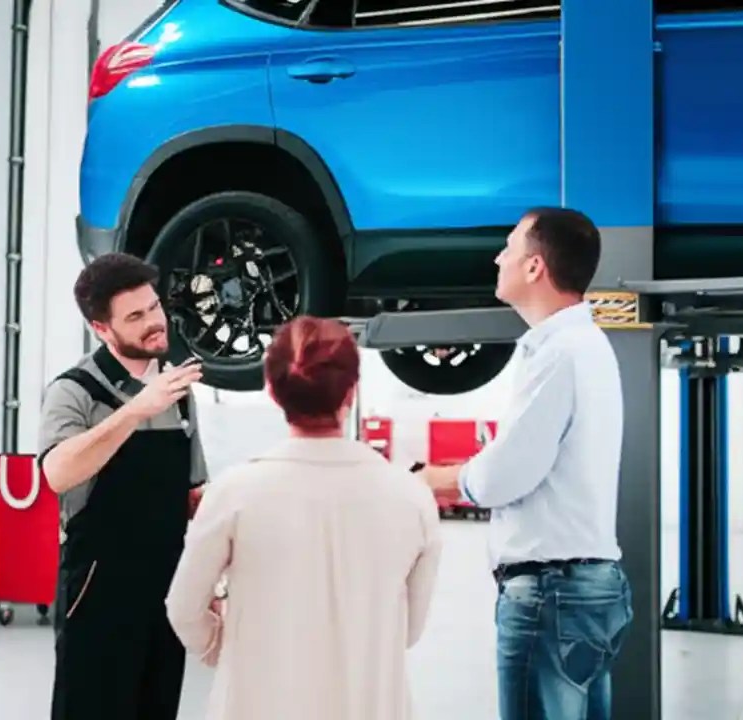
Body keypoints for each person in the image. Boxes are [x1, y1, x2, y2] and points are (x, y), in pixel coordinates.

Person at [165, 315, 443, 720]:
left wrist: (226, 644)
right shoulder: (411, 496)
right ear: (351, 390)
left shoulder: (234, 493)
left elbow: (184, 609)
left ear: (274, 392)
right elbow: (409, 630)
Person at [420, 207, 633, 720]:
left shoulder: (560, 354)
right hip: (589, 589)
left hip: (550, 595)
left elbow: (504, 476)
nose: (498, 257)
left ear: (535, 267)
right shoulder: (585, 347)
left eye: (509, 246)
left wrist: (434, 479)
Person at [38, 252, 208, 720]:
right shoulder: (72, 391)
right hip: (98, 592)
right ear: (101, 329)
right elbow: (57, 473)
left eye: (154, 307)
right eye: (136, 316)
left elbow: (194, 493)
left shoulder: (178, 388)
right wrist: (136, 410)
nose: (155, 322)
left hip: (165, 589)